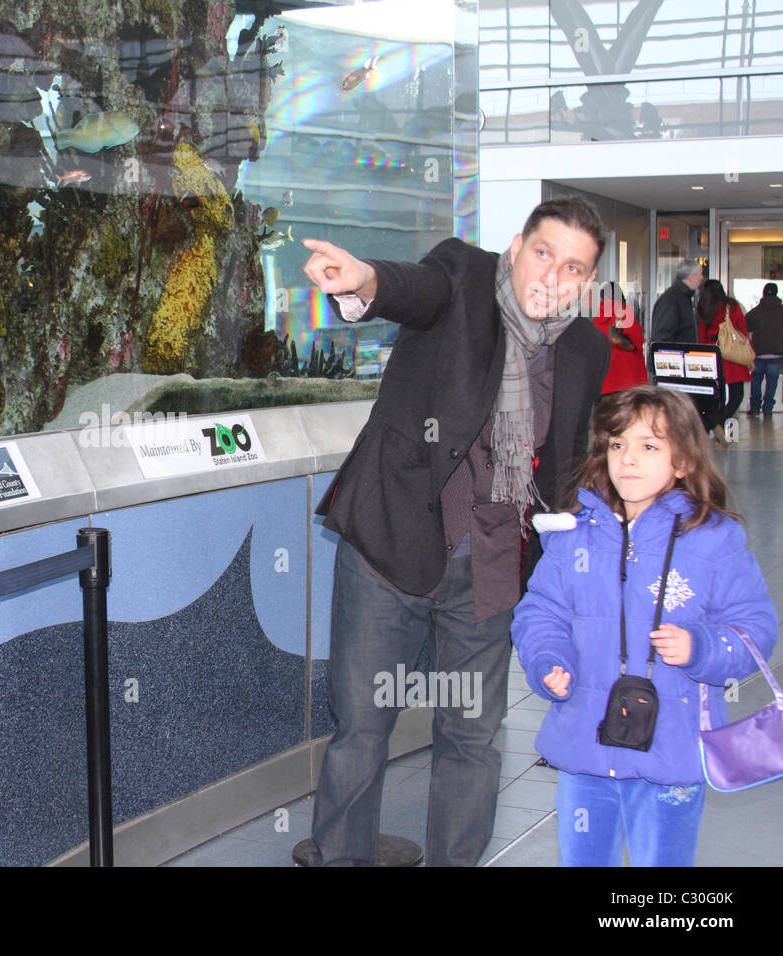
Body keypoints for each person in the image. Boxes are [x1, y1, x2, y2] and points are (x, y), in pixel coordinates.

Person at [297, 196, 611, 866]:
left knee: (473, 737)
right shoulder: (466, 280)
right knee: (362, 728)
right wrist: (365, 282)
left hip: (491, 569)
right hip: (390, 544)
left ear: (588, 281)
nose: (552, 276)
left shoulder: (585, 349)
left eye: (574, 268)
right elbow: (416, 289)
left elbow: (564, 465)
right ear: (520, 244)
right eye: (545, 253)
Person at [511, 387, 776, 866]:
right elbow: (539, 612)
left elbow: (755, 628)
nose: (628, 459)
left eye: (648, 446)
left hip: (671, 755)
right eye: (617, 445)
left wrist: (702, 647)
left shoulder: (714, 540)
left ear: (684, 462)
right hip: (585, 749)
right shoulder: (575, 537)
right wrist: (547, 660)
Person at [696, 279, 751, 444]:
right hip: (733, 356)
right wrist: (749, 355)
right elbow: (743, 330)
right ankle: (716, 423)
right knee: (737, 395)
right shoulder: (732, 306)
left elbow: (701, 336)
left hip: (712, 356)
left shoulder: (704, 308)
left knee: (716, 397)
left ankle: (712, 423)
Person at [592, 281, 648, 394]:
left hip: (604, 384)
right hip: (628, 383)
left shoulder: (597, 319)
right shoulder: (623, 312)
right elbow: (633, 345)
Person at [746, 282, 783, 415]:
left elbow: (745, 326)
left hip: (758, 353)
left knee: (756, 381)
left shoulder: (757, 311)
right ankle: (768, 408)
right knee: (772, 382)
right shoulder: (781, 310)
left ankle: (755, 407)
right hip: (777, 353)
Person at [649, 259, 703, 346]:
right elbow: (662, 336)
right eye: (700, 274)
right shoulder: (671, 299)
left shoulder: (685, 298)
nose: (701, 278)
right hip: (675, 357)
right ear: (691, 277)